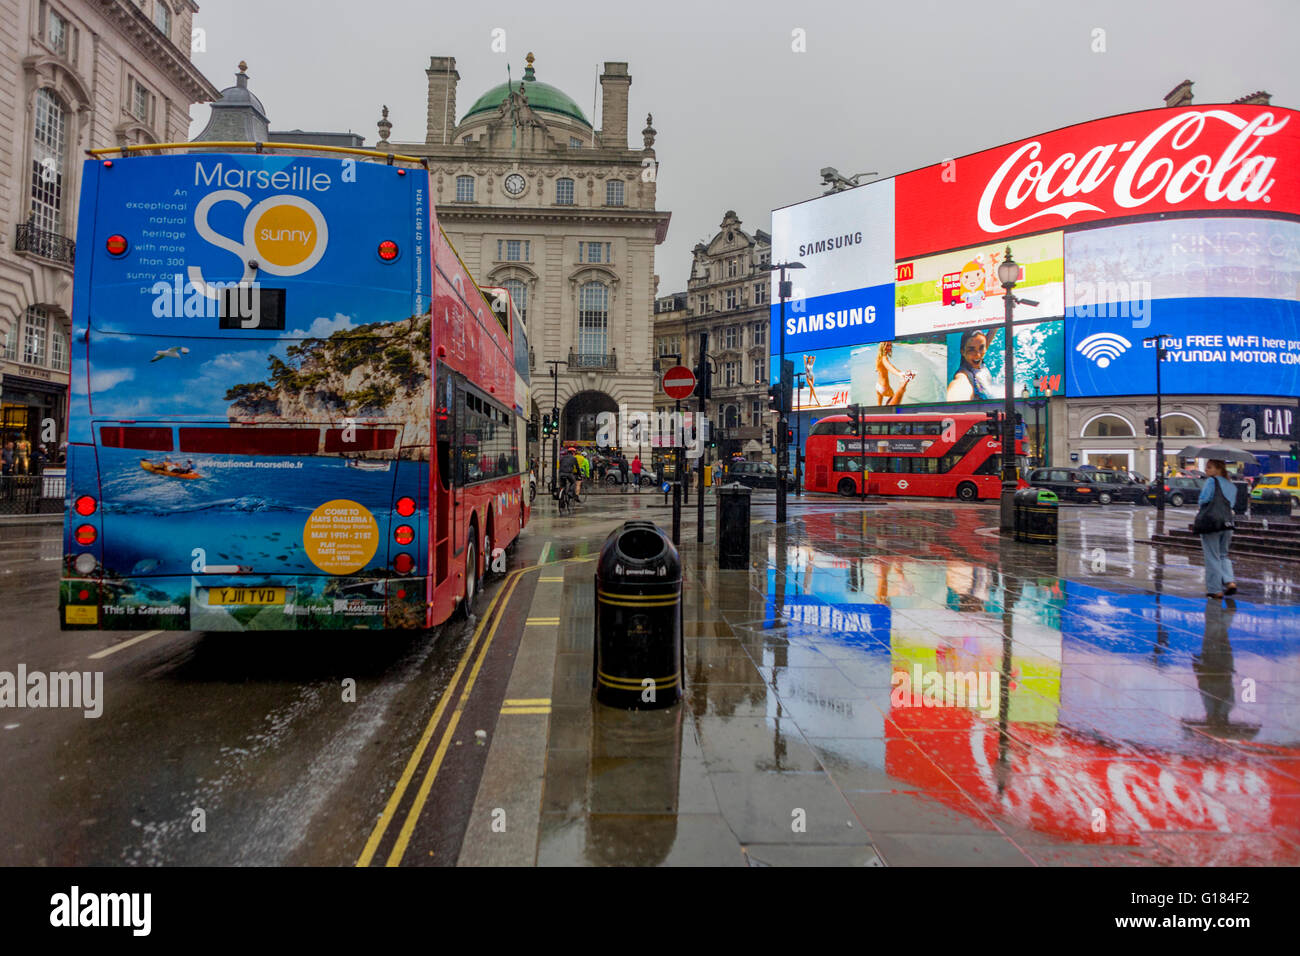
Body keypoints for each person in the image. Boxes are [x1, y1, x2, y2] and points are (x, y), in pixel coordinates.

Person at [1198, 459, 1237, 599]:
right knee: (1223, 555)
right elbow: (1231, 503)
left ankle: (1215, 589)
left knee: (1212, 556)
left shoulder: (1211, 481)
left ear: (1218, 469)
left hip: (1211, 523)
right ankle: (1229, 581)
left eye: (1209, 467)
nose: (1206, 470)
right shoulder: (1231, 485)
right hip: (1227, 522)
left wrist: (1201, 501)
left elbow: (1203, 500)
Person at [946, 328, 996, 402]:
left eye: (981, 348)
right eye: (971, 350)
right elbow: (960, 385)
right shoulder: (965, 375)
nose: (978, 355)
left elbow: (992, 332)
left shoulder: (980, 357)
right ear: (962, 352)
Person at [875, 342, 917, 407]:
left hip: (878, 386)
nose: (890, 347)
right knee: (893, 399)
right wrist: (900, 374)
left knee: (879, 406)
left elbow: (879, 368)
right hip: (884, 387)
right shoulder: (884, 358)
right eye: (887, 345)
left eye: (890, 345)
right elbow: (889, 366)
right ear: (883, 346)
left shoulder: (878, 357)